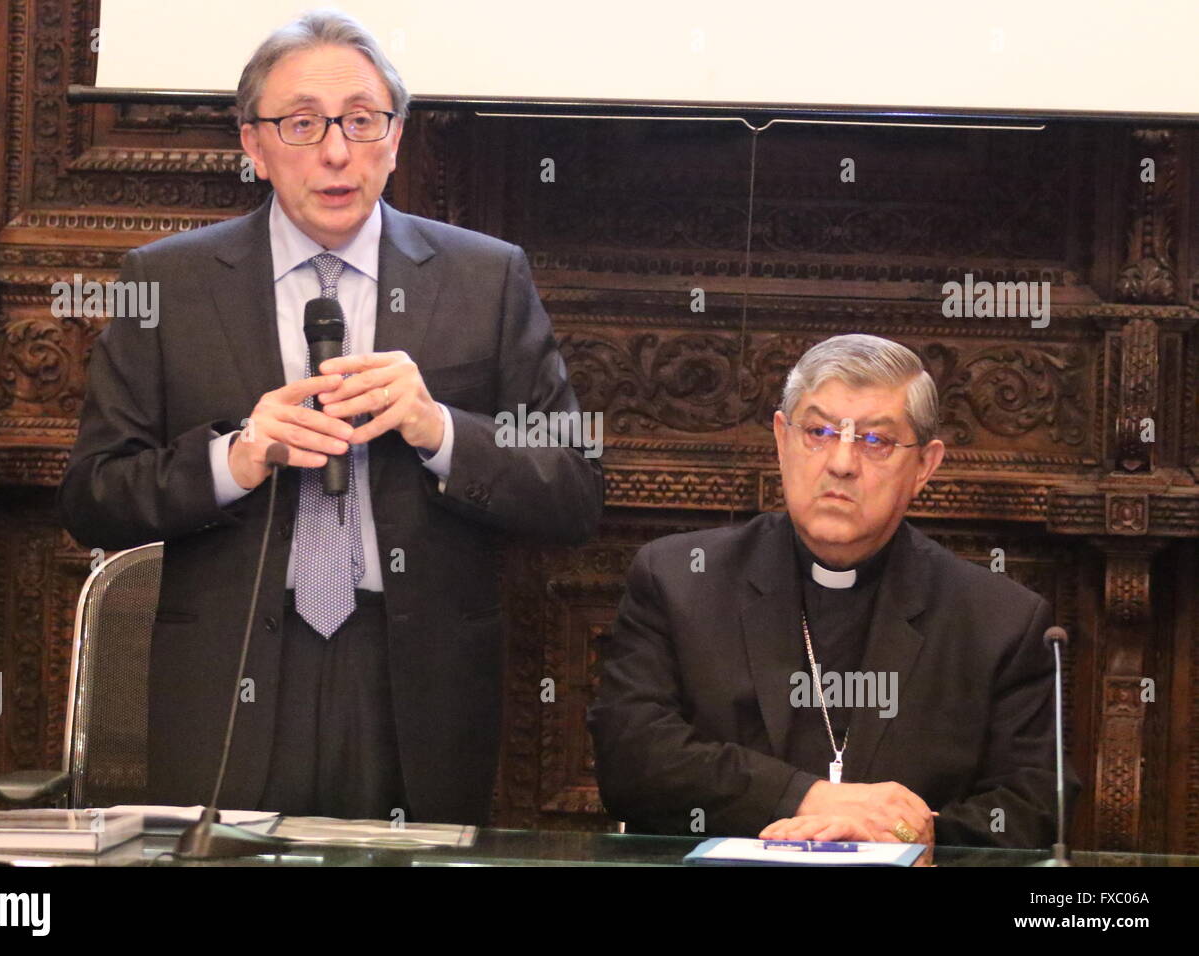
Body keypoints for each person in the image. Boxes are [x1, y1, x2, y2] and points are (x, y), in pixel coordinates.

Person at [58, 9, 603, 825]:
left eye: (361, 121)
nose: (338, 152)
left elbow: (574, 486)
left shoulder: (483, 278)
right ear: (253, 143)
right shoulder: (168, 283)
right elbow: (93, 495)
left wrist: (438, 430)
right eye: (303, 124)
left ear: (396, 134)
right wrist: (235, 458)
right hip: (232, 673)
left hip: (412, 677)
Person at [587, 334, 1078, 848]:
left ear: (925, 467)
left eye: (875, 441)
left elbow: (1036, 804)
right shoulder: (679, 579)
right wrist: (809, 797)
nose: (842, 463)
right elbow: (631, 754)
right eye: (818, 431)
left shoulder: (1000, 621)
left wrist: (914, 839)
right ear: (781, 440)